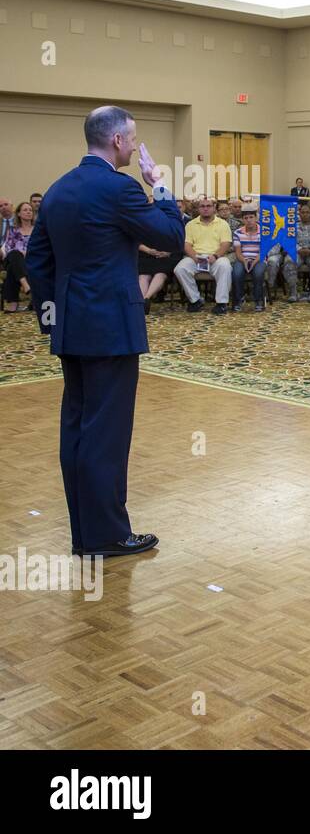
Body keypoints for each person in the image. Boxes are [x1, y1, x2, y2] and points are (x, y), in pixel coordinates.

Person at [25, 106, 184, 556]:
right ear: (116, 141)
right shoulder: (120, 189)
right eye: (133, 139)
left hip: (71, 327)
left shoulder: (58, 190)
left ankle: (87, 531)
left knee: (77, 426)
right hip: (111, 327)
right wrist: (162, 186)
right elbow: (171, 235)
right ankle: (107, 536)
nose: (136, 147)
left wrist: (51, 316)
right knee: (107, 433)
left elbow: (39, 261)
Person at [174, 196, 233, 313]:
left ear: (214, 208)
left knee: (225, 266)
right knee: (180, 269)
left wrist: (215, 256)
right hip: (196, 257)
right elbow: (186, 245)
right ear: (198, 209)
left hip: (216, 257)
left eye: (208, 206)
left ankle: (221, 303)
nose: (205, 209)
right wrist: (195, 257)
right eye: (202, 206)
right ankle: (195, 300)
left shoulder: (222, 224)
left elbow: (226, 244)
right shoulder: (190, 224)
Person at [266, 202, 310, 304]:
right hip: (297, 252)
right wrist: (298, 249)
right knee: (289, 260)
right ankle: (293, 292)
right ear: (299, 213)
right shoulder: (292, 227)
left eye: (307, 212)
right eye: (303, 212)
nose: (305, 214)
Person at [2, 199, 37, 312]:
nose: (28, 212)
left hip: (32, 260)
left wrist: (27, 253)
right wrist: (20, 252)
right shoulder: (13, 230)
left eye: (30, 210)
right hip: (15, 258)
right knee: (14, 254)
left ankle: (13, 303)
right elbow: (8, 247)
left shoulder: (38, 231)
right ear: (18, 213)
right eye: (25, 210)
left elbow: (42, 248)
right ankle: (25, 284)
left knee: (13, 268)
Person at [231, 203, 266, 312]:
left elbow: (263, 251)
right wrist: (245, 261)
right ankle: (238, 299)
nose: (249, 220)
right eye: (246, 218)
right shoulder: (237, 233)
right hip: (243, 258)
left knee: (258, 273)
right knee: (236, 273)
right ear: (242, 220)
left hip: (259, 258)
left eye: (251, 217)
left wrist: (254, 262)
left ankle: (258, 300)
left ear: (256, 218)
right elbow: (238, 252)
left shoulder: (264, 232)